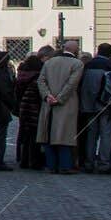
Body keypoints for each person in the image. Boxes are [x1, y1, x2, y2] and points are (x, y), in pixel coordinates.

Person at [78, 43, 111, 173]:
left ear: (98, 51)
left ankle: (89, 162)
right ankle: (104, 163)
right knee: (106, 135)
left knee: (91, 135)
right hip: (107, 105)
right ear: (110, 53)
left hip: (88, 106)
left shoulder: (87, 66)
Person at [36, 44, 82, 173]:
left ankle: (51, 165)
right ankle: (65, 166)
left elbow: (41, 81)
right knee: (65, 135)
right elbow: (72, 84)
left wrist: (47, 96)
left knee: (49, 134)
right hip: (66, 104)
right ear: (76, 50)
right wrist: (60, 98)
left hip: (49, 103)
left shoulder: (49, 62)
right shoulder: (77, 64)